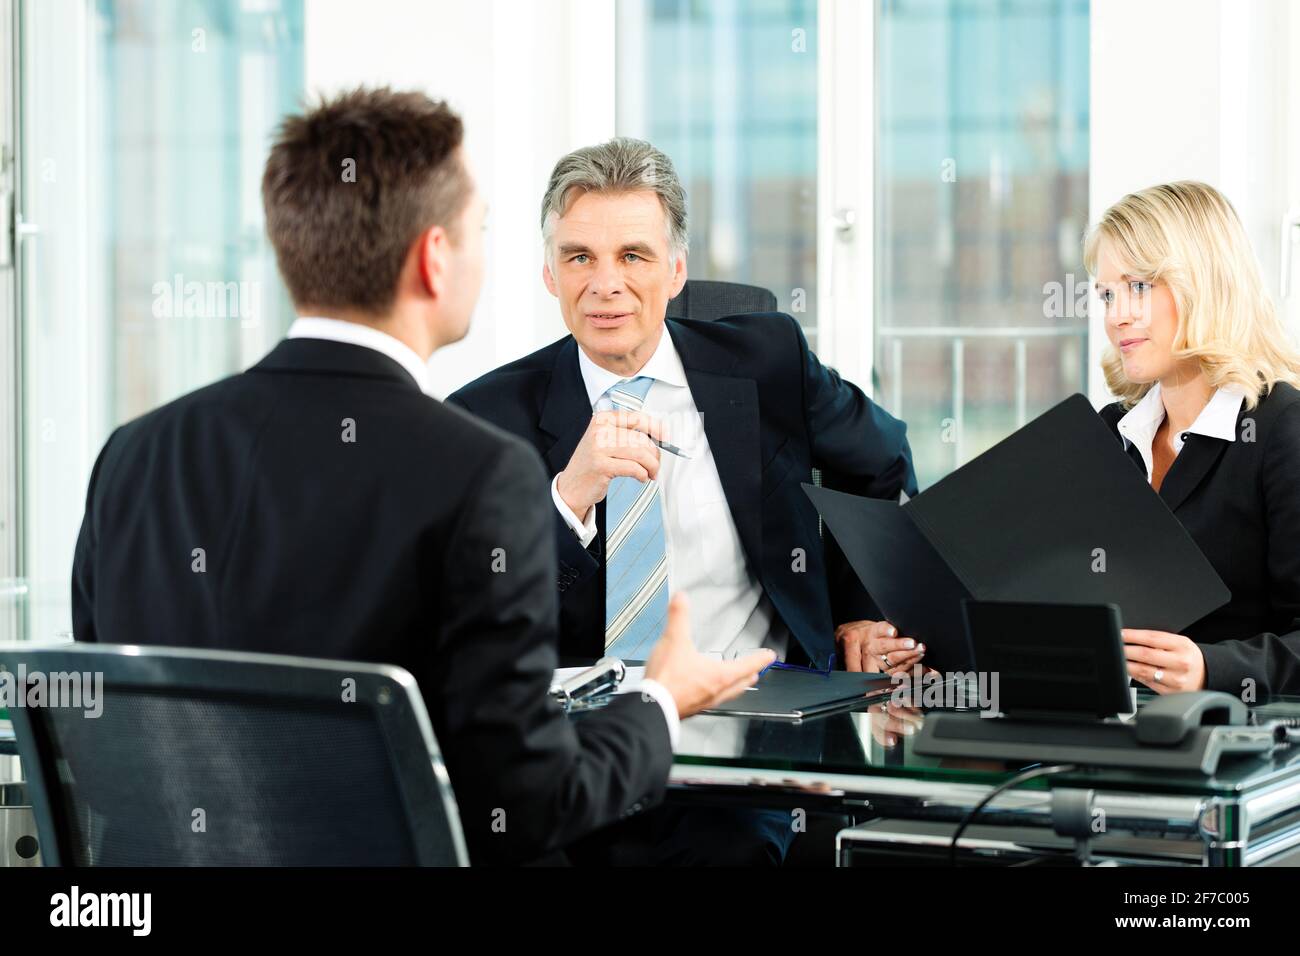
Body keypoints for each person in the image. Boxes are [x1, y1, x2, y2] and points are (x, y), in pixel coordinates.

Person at [70, 87, 773, 866]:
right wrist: (661, 701)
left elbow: (105, 742)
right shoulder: (478, 472)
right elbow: (528, 803)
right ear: (435, 259)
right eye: (478, 231)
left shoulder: (131, 457)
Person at [446, 138, 918, 861]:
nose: (606, 284)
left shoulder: (767, 363)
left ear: (675, 269)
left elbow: (882, 462)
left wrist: (858, 606)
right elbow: (474, 607)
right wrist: (569, 497)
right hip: (577, 759)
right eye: (580, 257)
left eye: (633, 255)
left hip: (752, 741)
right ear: (548, 272)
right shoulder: (486, 416)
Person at [1087, 181, 1300, 698]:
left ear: (1204, 283)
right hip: (1111, 737)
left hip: (1241, 756)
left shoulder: (1281, 428)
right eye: (1107, 294)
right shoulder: (1110, 431)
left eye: (1139, 287)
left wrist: (1212, 668)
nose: (1118, 316)